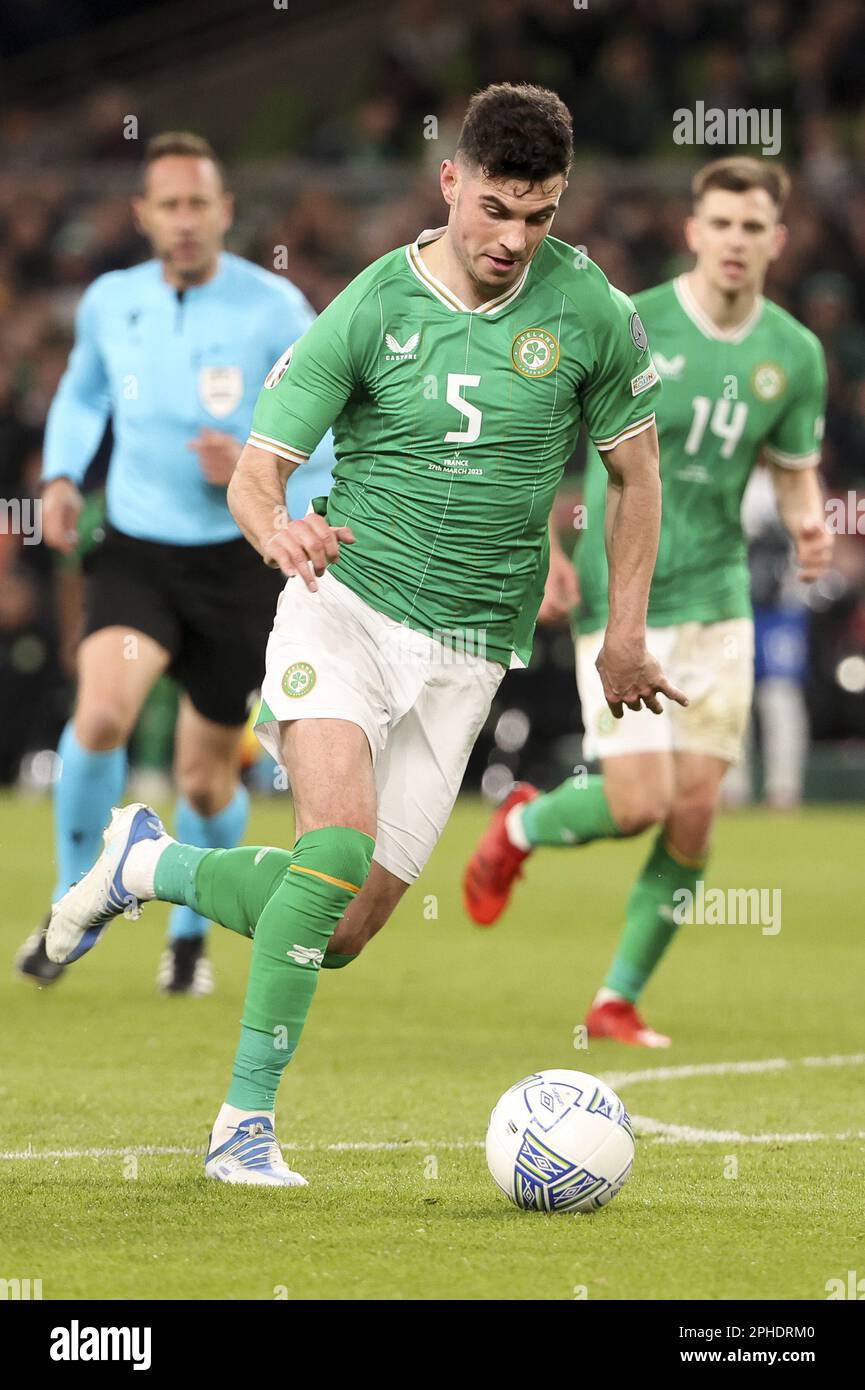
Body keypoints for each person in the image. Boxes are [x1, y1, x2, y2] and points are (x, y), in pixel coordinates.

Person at [45, 83, 684, 1186]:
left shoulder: (590, 311)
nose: (512, 239)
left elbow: (635, 474)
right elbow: (258, 474)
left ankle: (145, 863)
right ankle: (242, 1127)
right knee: (331, 846)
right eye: (494, 208)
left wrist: (623, 631)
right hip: (343, 609)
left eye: (538, 215)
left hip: (472, 652)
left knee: (334, 929)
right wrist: (278, 535)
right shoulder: (369, 307)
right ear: (449, 183)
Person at [464, 157, 831, 1047]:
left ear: (774, 241)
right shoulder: (633, 323)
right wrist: (548, 544)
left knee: (696, 812)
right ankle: (523, 823)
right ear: (692, 232)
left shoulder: (795, 353)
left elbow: (791, 474)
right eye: (721, 224)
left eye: (753, 228)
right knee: (635, 804)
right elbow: (547, 433)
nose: (736, 242)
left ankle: (615, 999)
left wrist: (809, 523)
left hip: (717, 598)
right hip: (623, 591)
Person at [15, 131, 335, 995]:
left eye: (201, 204)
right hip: (138, 551)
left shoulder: (275, 308)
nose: (185, 221)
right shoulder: (110, 302)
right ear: (143, 215)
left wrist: (262, 471)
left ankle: (188, 935)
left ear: (226, 212)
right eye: (170, 205)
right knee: (104, 716)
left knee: (202, 776)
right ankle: (65, 909)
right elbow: (82, 393)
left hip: (236, 562)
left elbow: (332, 427)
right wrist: (60, 475)